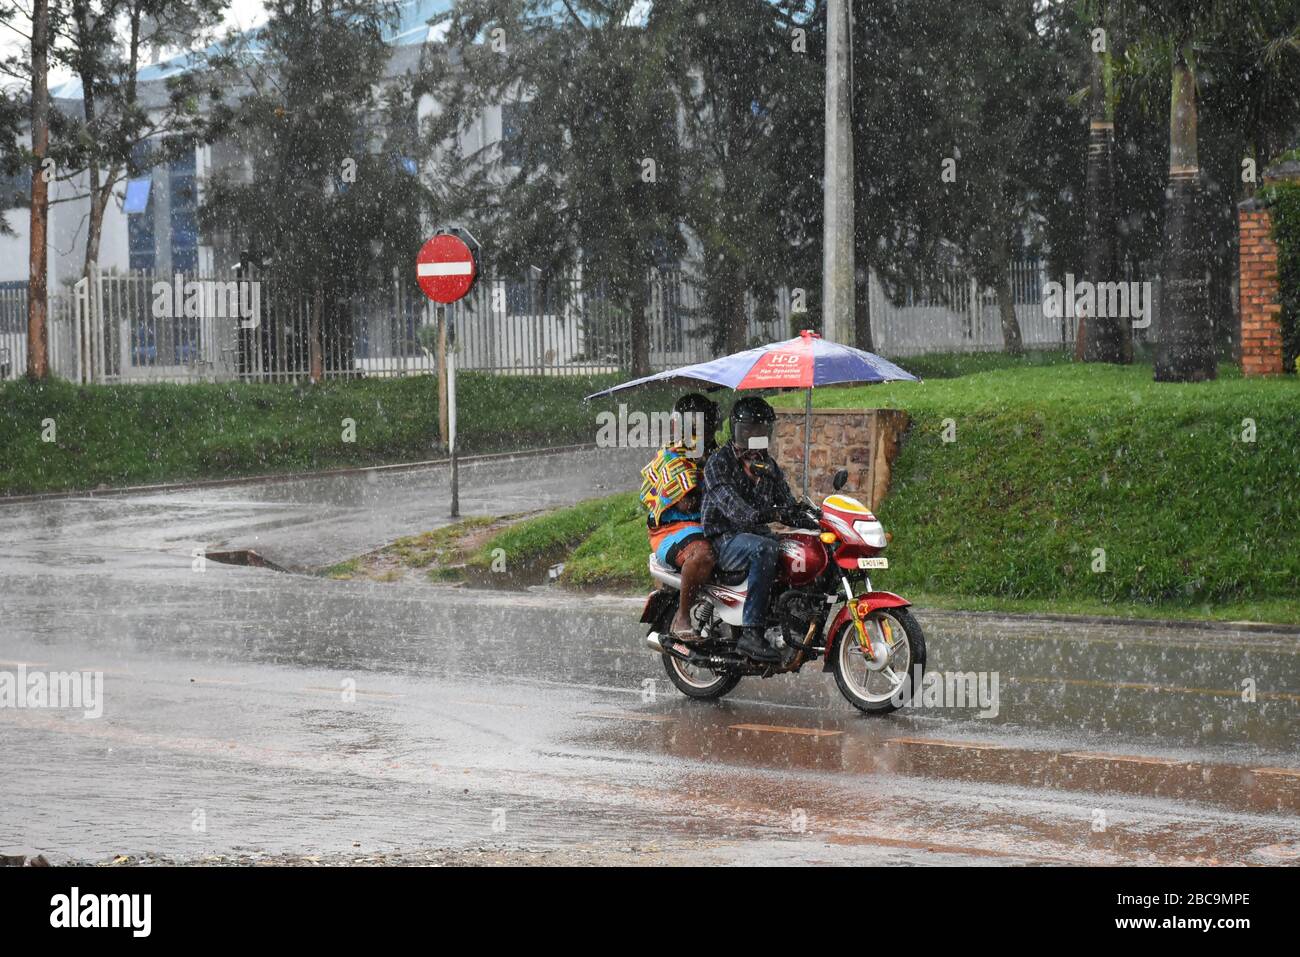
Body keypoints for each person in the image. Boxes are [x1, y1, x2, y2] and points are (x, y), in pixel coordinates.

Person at [700, 396, 803, 664]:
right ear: (735, 430)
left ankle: (791, 620)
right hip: (724, 539)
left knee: (800, 548)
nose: (754, 436)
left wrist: (809, 517)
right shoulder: (719, 463)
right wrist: (771, 514)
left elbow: (787, 502)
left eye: (761, 430)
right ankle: (751, 633)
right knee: (765, 548)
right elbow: (736, 512)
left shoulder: (767, 464)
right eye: (748, 430)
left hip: (755, 535)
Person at [640, 394, 720, 639]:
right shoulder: (673, 456)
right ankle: (682, 618)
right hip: (673, 528)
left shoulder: (714, 454)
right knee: (703, 555)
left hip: (709, 524)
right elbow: (686, 504)